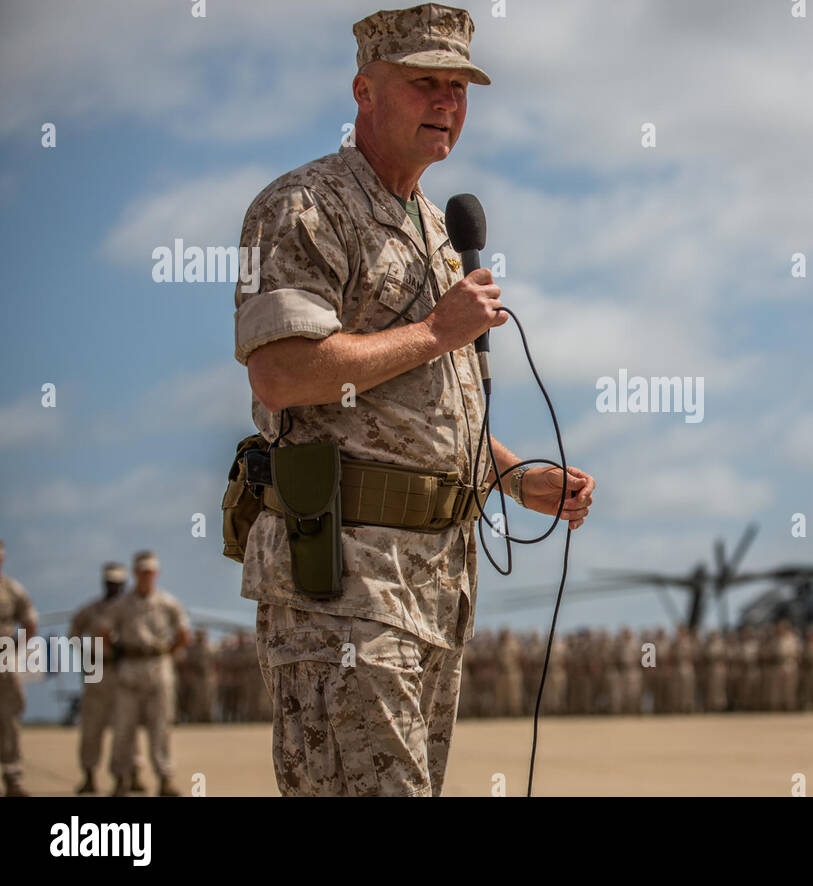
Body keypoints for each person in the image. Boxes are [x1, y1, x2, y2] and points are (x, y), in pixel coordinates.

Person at [233, 3, 596, 795]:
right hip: (346, 590)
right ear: (364, 90)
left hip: (435, 588)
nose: (447, 102)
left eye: (459, 86)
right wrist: (437, 329)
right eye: (424, 82)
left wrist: (510, 476)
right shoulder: (304, 208)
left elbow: (423, 410)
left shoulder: (436, 228)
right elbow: (283, 374)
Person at [103, 551, 191, 797]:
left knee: (161, 728)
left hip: (158, 665)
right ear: (135, 573)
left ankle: (165, 779)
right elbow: (102, 632)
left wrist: (167, 653)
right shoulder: (121, 605)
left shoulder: (168, 602)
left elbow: (184, 634)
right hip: (129, 667)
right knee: (123, 728)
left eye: (150, 572)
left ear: (156, 574)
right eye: (142, 572)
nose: (146, 576)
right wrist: (115, 654)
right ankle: (121, 778)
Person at [69, 563, 142, 794]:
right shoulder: (91, 610)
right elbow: (73, 633)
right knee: (92, 725)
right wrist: (88, 650)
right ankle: (89, 774)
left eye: (118, 583)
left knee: (127, 726)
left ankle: (130, 774)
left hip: (125, 671)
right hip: (98, 672)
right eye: (110, 583)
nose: (114, 587)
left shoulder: (133, 609)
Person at [0, 540, 37, 797]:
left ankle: (12, 777)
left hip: (4, 657)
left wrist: (13, 648)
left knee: (9, 718)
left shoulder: (13, 590)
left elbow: (30, 624)